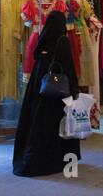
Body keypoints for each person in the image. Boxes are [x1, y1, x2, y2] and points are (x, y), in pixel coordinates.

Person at [12, 10, 81, 177]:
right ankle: (61, 158)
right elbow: (69, 68)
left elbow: (36, 59)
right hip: (58, 94)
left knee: (38, 124)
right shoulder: (62, 41)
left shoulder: (42, 41)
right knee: (58, 126)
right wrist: (74, 90)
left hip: (40, 91)